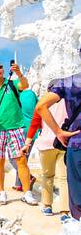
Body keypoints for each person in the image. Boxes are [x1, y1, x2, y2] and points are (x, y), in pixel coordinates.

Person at [0, 57, 36, 206]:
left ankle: (27, 193)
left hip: (16, 128)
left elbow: (24, 85)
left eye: (0, 67)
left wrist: (19, 73)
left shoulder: (12, 83)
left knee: (21, 160)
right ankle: (1, 193)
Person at [35, 50, 81, 222]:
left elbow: (41, 106)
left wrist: (59, 132)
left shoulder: (68, 83)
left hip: (76, 142)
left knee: (77, 194)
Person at [24, 96, 68, 216]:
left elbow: (34, 124)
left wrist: (27, 143)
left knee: (47, 176)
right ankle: (65, 211)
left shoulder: (42, 103)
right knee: (64, 179)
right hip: (63, 143)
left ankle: (47, 206)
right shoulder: (69, 102)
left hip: (46, 144)